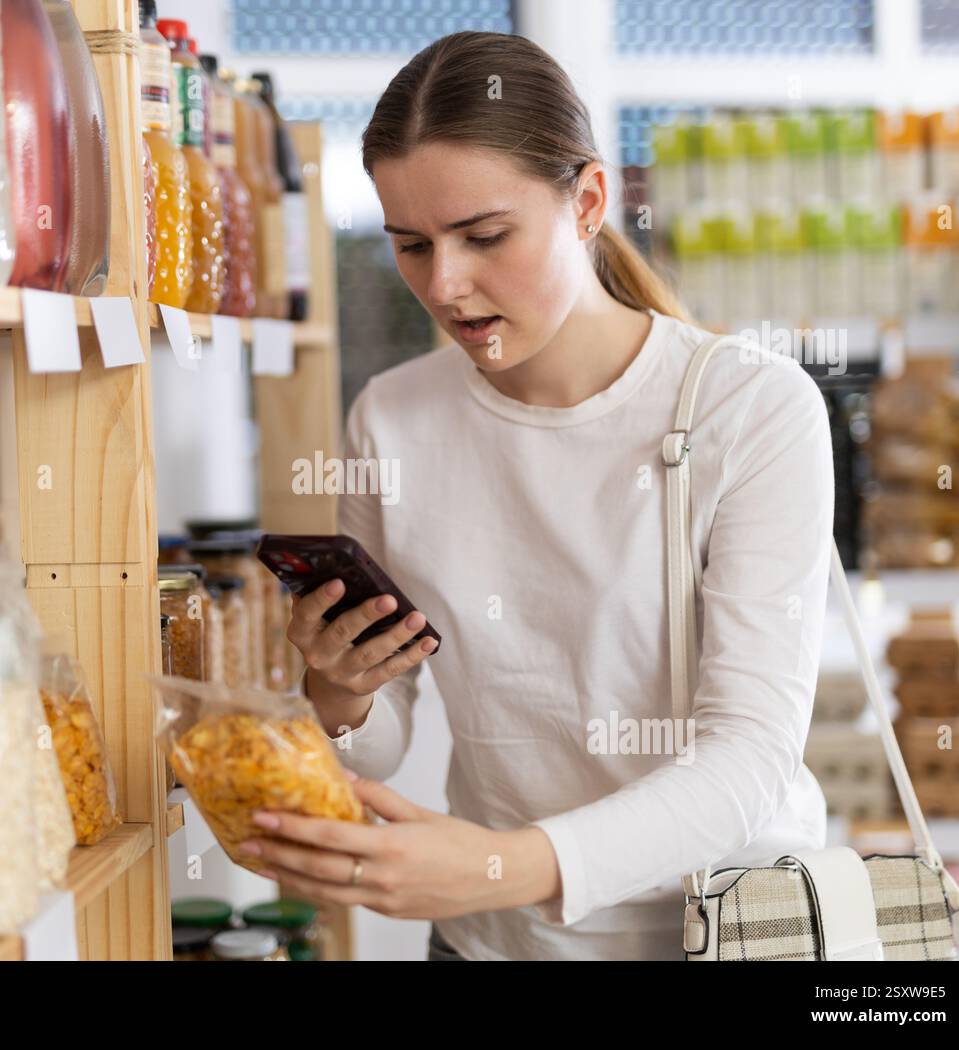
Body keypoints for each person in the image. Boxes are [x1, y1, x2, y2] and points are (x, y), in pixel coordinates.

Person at [235, 30, 833, 961]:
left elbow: (747, 763)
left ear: (588, 201)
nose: (447, 285)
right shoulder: (391, 418)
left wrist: (490, 867)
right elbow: (380, 741)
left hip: (718, 938)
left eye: (484, 237)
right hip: (488, 944)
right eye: (410, 245)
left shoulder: (750, 407)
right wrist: (337, 694)